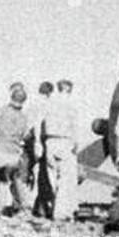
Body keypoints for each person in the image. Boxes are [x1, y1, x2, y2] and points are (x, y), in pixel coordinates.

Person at [43, 79, 81, 221]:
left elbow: (43, 123)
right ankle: (62, 212)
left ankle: (54, 206)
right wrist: (76, 143)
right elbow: (74, 125)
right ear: (68, 89)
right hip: (65, 141)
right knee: (66, 178)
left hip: (50, 141)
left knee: (52, 177)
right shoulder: (71, 104)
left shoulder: (49, 103)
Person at [0, 82, 32, 214]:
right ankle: (24, 208)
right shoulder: (23, 117)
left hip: (1, 151)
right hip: (15, 153)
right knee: (17, 181)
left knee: (2, 182)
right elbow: (26, 135)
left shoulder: (2, 111)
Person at [30, 81, 54, 216]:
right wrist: (38, 142)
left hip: (37, 142)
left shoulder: (34, 103)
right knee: (42, 176)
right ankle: (42, 207)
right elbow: (38, 125)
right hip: (42, 143)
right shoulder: (46, 105)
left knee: (38, 175)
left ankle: (39, 207)